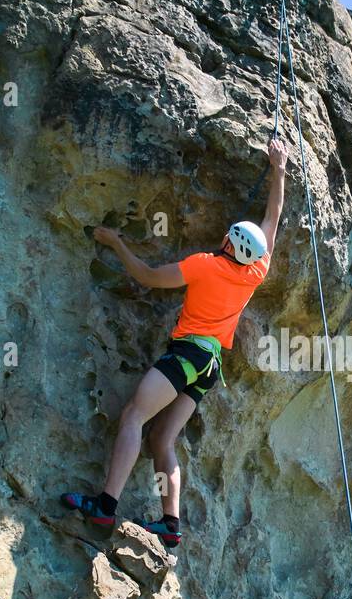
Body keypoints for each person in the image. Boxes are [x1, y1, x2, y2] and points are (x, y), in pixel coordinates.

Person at [61, 137, 289, 547]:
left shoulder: (204, 266)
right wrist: (279, 169)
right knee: (161, 440)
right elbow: (273, 218)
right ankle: (170, 524)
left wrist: (116, 244)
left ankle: (105, 507)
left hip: (187, 353)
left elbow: (147, 275)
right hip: (210, 364)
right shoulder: (254, 273)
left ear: (229, 244)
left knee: (134, 415)